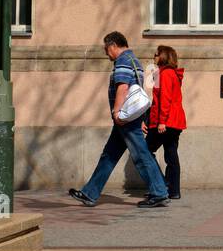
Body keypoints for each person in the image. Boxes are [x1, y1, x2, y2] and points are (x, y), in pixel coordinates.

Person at [69, 31, 170, 208]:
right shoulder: (135, 61)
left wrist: (116, 113)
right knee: (109, 155)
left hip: (125, 119)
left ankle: (159, 193)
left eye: (107, 49)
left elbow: (123, 88)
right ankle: (90, 193)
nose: (106, 53)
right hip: (129, 118)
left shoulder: (123, 61)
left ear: (114, 45)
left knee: (141, 155)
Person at [146, 44, 186, 201]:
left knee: (145, 151)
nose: (153, 57)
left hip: (166, 122)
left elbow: (165, 99)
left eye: (156, 54)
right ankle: (172, 190)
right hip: (172, 122)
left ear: (163, 56)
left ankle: (161, 185)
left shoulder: (166, 74)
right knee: (171, 155)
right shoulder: (163, 74)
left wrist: (161, 122)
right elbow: (154, 100)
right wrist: (148, 120)